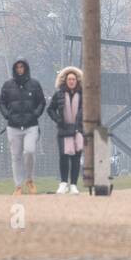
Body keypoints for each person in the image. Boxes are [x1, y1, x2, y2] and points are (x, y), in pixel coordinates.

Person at [0, 58, 47, 196]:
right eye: (18, 67)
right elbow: (1, 102)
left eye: (22, 67)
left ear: (26, 68)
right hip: (13, 126)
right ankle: (18, 186)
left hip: (31, 126)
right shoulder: (7, 85)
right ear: (15, 69)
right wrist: (7, 115)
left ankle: (30, 180)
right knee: (16, 156)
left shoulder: (35, 84)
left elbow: (42, 102)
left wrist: (35, 114)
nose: (20, 69)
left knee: (29, 151)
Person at [46, 65, 85, 194]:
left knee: (76, 157)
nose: (71, 81)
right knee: (63, 156)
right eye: (69, 79)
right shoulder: (59, 94)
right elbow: (50, 109)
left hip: (78, 130)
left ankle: (73, 184)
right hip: (64, 130)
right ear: (65, 80)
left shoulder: (83, 95)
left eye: (73, 79)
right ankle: (63, 183)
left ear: (77, 80)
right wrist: (58, 119)